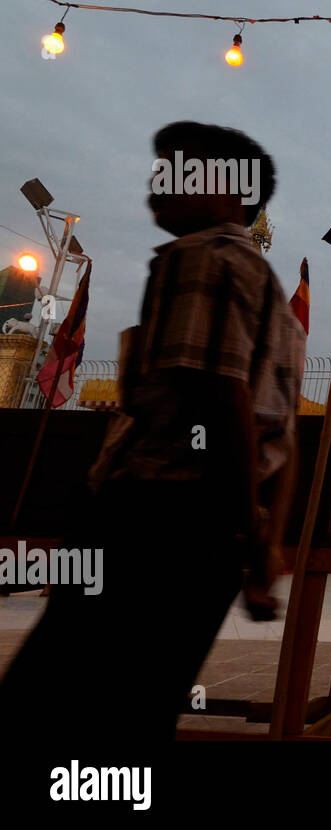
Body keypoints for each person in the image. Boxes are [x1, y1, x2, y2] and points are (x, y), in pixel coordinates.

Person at [0, 121, 303, 741]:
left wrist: (241, 528)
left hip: (153, 515)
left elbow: (222, 400)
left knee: (48, 700)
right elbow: (283, 435)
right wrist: (261, 539)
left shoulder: (199, 259)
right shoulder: (272, 293)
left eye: (173, 172)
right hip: (211, 531)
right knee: (137, 705)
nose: (154, 186)